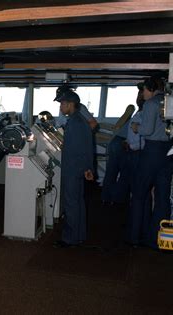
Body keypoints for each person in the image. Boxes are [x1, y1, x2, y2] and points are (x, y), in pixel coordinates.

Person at [126, 76, 173, 249]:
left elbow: (146, 130)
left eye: (144, 89)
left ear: (151, 89)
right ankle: (159, 240)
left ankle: (134, 237)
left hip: (152, 152)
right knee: (162, 198)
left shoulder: (151, 104)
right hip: (168, 153)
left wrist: (136, 127)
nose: (142, 93)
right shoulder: (169, 101)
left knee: (139, 194)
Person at [54, 90, 94, 248]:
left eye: (63, 104)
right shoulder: (78, 120)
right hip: (78, 166)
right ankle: (79, 235)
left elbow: (83, 148)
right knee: (78, 202)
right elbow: (84, 146)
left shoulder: (75, 122)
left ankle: (69, 238)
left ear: (71, 104)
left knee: (71, 203)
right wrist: (87, 168)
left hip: (73, 167)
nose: (61, 107)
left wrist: (87, 168)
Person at [101, 104, 135, 205]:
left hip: (115, 141)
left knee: (111, 171)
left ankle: (105, 198)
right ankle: (117, 199)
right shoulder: (140, 117)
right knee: (125, 173)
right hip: (123, 143)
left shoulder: (131, 118)